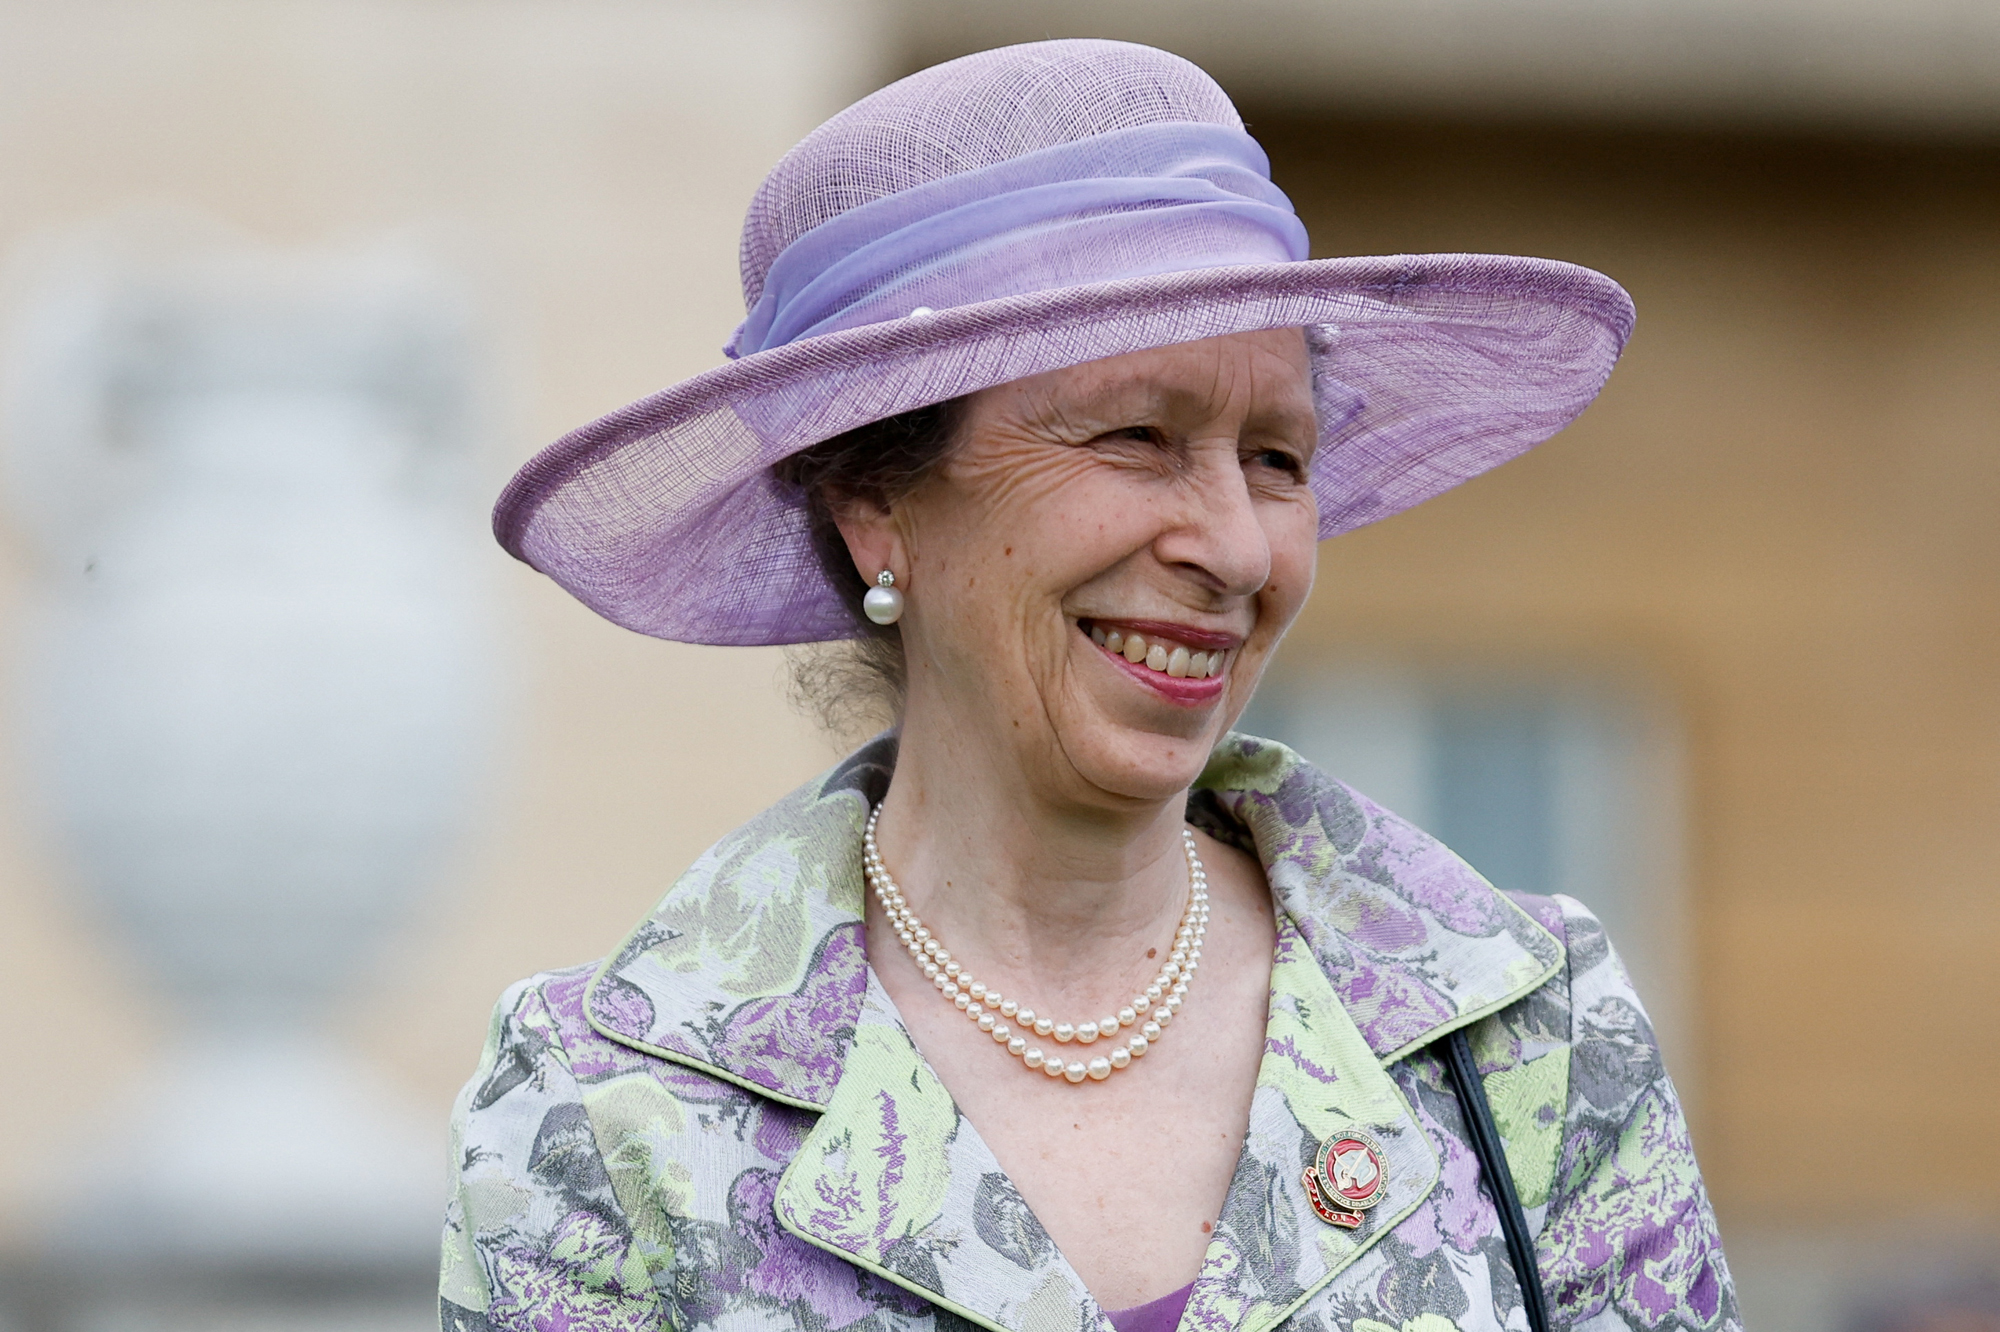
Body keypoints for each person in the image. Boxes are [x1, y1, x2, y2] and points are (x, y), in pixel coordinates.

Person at [441, 38, 1738, 1332]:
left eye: (1278, 457)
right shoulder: (610, 1105)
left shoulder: (1526, 1028)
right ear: (871, 507)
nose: (1235, 547)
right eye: (1136, 437)